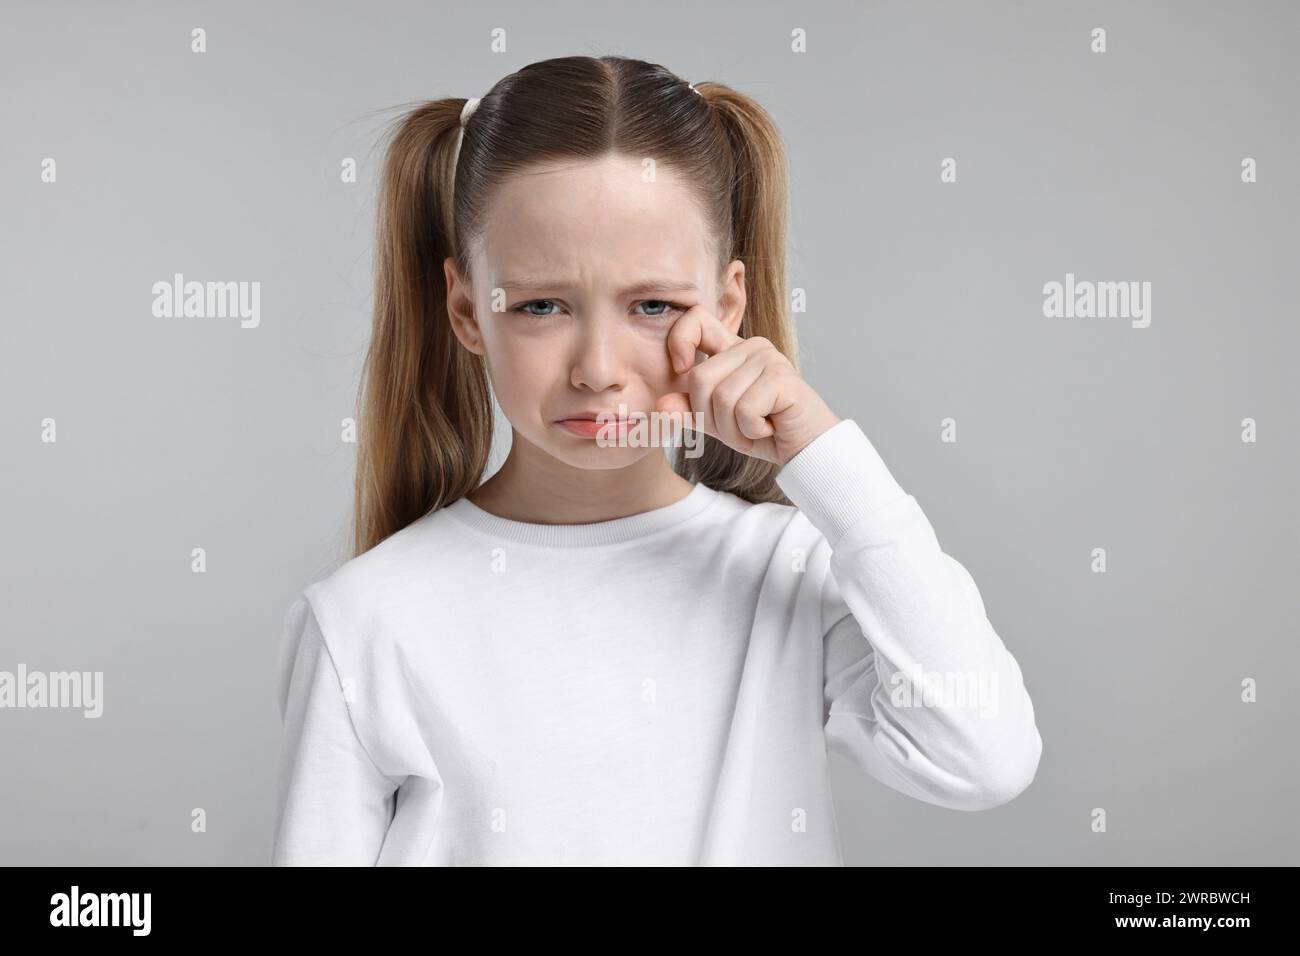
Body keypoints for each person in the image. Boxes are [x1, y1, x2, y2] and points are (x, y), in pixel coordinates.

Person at [270, 54, 1042, 866]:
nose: (598, 366)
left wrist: (826, 461)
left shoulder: (788, 574)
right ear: (468, 310)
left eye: (653, 307)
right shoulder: (367, 618)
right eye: (541, 305)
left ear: (727, 307)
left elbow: (983, 758)